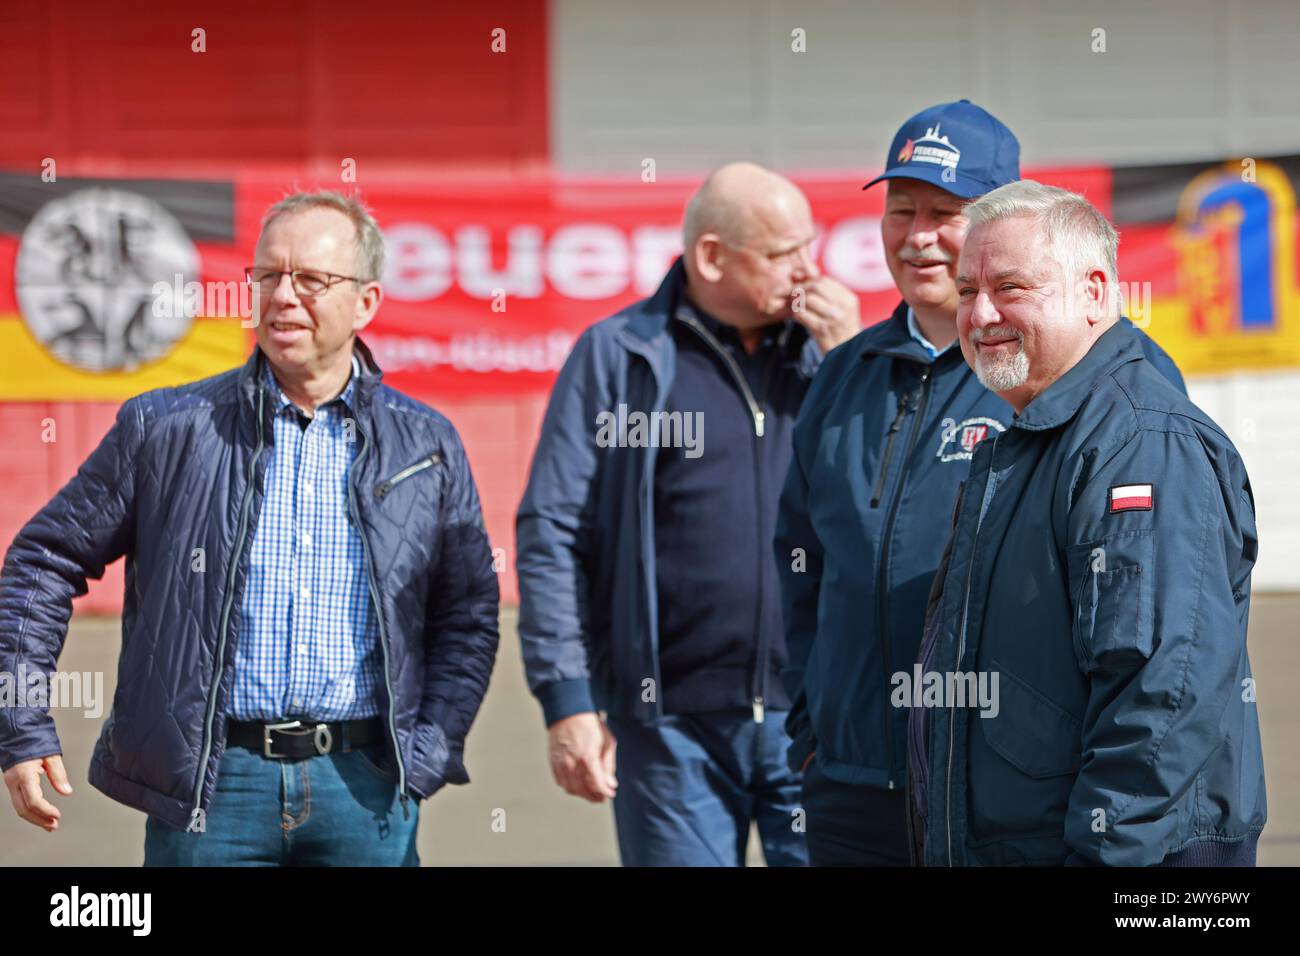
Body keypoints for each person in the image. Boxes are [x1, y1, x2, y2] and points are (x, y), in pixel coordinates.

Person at [0, 190, 500, 866]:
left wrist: (429, 747)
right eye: (268, 276)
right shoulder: (168, 428)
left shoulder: (424, 444)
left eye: (312, 280)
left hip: (366, 789)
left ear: (367, 303)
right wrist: (20, 725)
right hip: (214, 791)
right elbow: (44, 560)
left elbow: (467, 611)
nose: (283, 296)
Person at [774, 100, 1186, 866]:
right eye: (902, 210)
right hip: (848, 791)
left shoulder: (1061, 376)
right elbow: (798, 570)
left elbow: (1151, 625)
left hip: (993, 799)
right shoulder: (841, 376)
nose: (919, 234)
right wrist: (810, 732)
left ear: (999, 221)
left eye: (945, 210)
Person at [912, 179, 1265, 865]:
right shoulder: (1033, 437)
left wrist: (1105, 855)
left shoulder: (1143, 444)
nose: (981, 314)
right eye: (965, 291)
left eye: (1011, 287)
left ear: (1096, 293)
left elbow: (1164, 692)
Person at [516, 162, 860, 866]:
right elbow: (553, 531)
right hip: (670, 730)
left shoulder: (838, 355)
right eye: (781, 253)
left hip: (822, 721)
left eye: (809, 246)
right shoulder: (620, 357)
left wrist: (850, 360)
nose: (807, 270)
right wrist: (569, 700)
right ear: (711, 256)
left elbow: (890, 497)